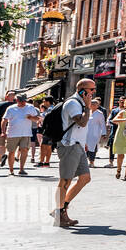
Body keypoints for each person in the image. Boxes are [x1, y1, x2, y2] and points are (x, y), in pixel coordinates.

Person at [53, 79, 96, 228]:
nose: (93, 92)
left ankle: (61, 208)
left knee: (85, 178)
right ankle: (59, 214)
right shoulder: (73, 104)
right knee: (65, 181)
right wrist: (88, 107)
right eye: (91, 90)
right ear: (82, 90)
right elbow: (82, 122)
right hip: (68, 145)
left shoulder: (81, 104)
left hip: (78, 146)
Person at [2, 93, 41, 176]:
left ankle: (22, 169)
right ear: (17, 101)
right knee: (11, 152)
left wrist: (31, 118)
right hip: (12, 133)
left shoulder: (30, 107)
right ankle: (11, 170)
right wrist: (3, 131)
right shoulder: (11, 108)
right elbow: (4, 120)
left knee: (25, 150)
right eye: (21, 101)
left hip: (26, 133)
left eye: (24, 101)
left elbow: (37, 119)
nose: (23, 103)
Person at [0, 89, 15, 168]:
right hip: (11, 129)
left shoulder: (0, 105)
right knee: (3, 146)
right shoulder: (17, 106)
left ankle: (3, 155)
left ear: (6, 97)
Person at [84, 97, 106, 165]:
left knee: (93, 147)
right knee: (86, 147)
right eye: (91, 104)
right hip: (87, 132)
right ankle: (87, 161)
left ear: (97, 106)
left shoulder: (99, 113)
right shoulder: (88, 112)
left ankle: (92, 162)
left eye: (94, 104)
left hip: (95, 133)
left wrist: (104, 133)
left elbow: (102, 123)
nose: (92, 105)